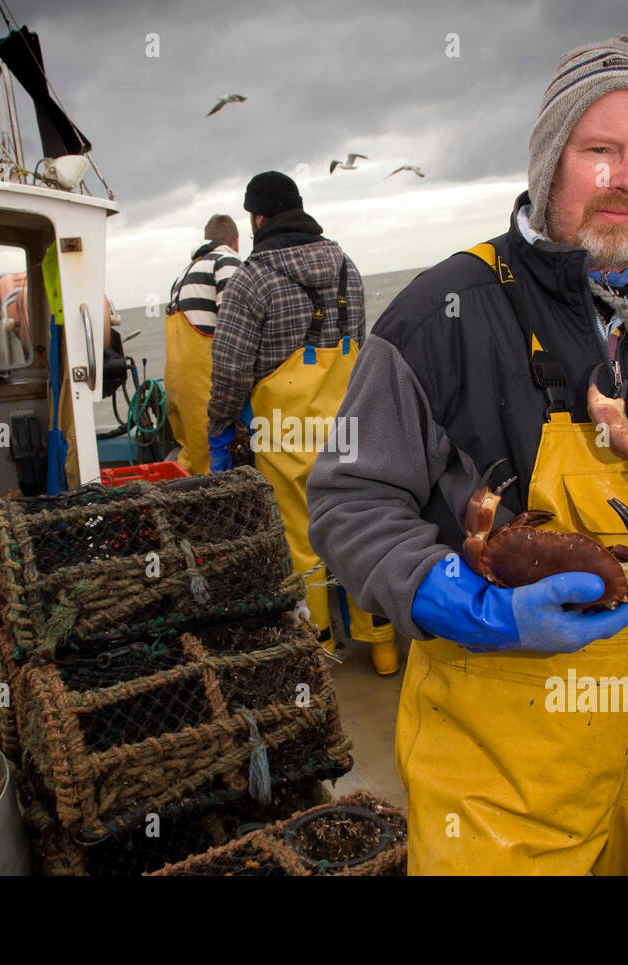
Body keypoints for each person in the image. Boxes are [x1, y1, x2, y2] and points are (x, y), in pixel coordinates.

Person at [307, 36, 628, 874]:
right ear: (551, 163)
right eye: (601, 151)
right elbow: (346, 502)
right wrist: (442, 594)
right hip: (500, 763)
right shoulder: (440, 313)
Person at [208, 171, 401, 674]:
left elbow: (230, 368)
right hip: (349, 422)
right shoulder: (346, 266)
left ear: (257, 218)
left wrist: (220, 426)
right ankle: (381, 645)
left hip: (285, 432)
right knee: (359, 524)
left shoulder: (251, 279)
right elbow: (358, 343)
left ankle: (319, 649)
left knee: (301, 535)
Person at [165, 214, 242, 474]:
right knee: (213, 465)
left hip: (178, 388)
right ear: (237, 242)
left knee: (192, 459)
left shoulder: (182, 275)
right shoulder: (226, 261)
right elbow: (235, 328)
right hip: (206, 384)